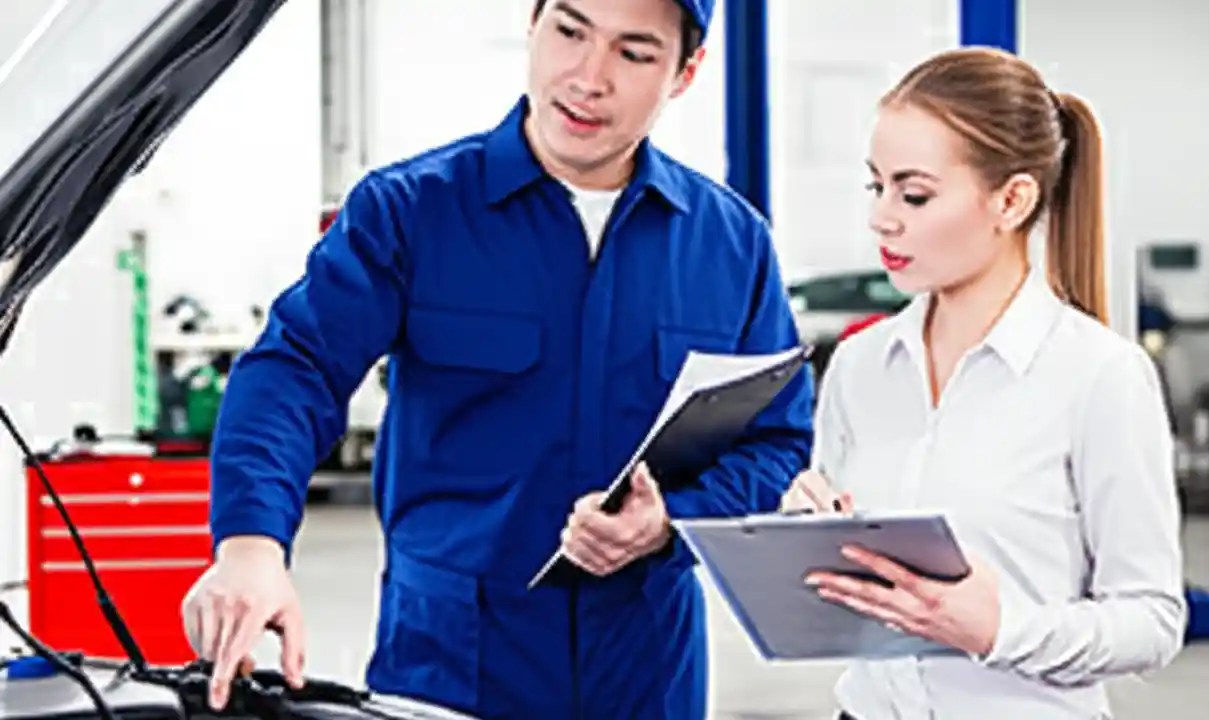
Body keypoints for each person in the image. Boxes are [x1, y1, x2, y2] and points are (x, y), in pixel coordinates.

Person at [181, 1, 814, 718]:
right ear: (533, 24)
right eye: (570, 32)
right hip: (453, 662)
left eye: (634, 54)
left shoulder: (731, 245)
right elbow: (294, 371)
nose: (588, 76)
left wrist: (671, 520)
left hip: (647, 668)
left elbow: (777, 440)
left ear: (684, 73)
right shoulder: (412, 211)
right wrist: (252, 544)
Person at [781, 47, 1186, 719]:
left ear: (1012, 199)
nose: (884, 216)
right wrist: (807, 536)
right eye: (875, 186)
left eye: (914, 193)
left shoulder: (1100, 377)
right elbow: (849, 592)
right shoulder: (860, 366)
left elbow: (1151, 621)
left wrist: (1001, 631)